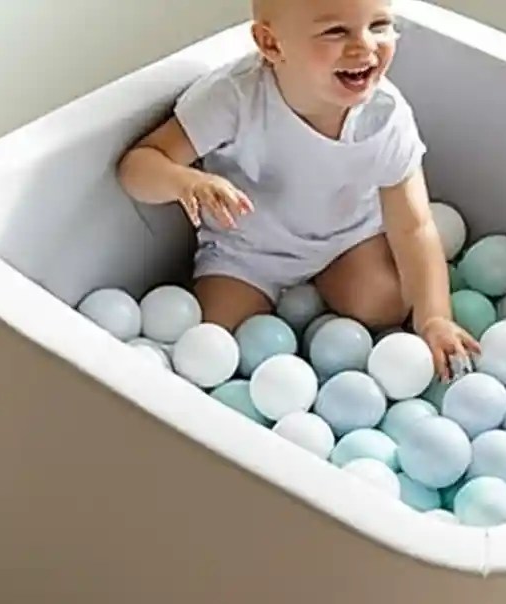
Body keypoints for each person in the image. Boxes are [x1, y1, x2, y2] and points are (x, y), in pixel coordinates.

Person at [117, 0, 477, 379]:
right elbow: (137, 167)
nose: (365, 47)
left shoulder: (385, 117)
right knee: (211, 349)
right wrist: (184, 180)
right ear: (271, 45)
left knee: (388, 305)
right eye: (336, 31)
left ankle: (325, 287)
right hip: (249, 251)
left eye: (379, 25)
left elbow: (413, 226)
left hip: (345, 239)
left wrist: (435, 318)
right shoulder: (234, 97)